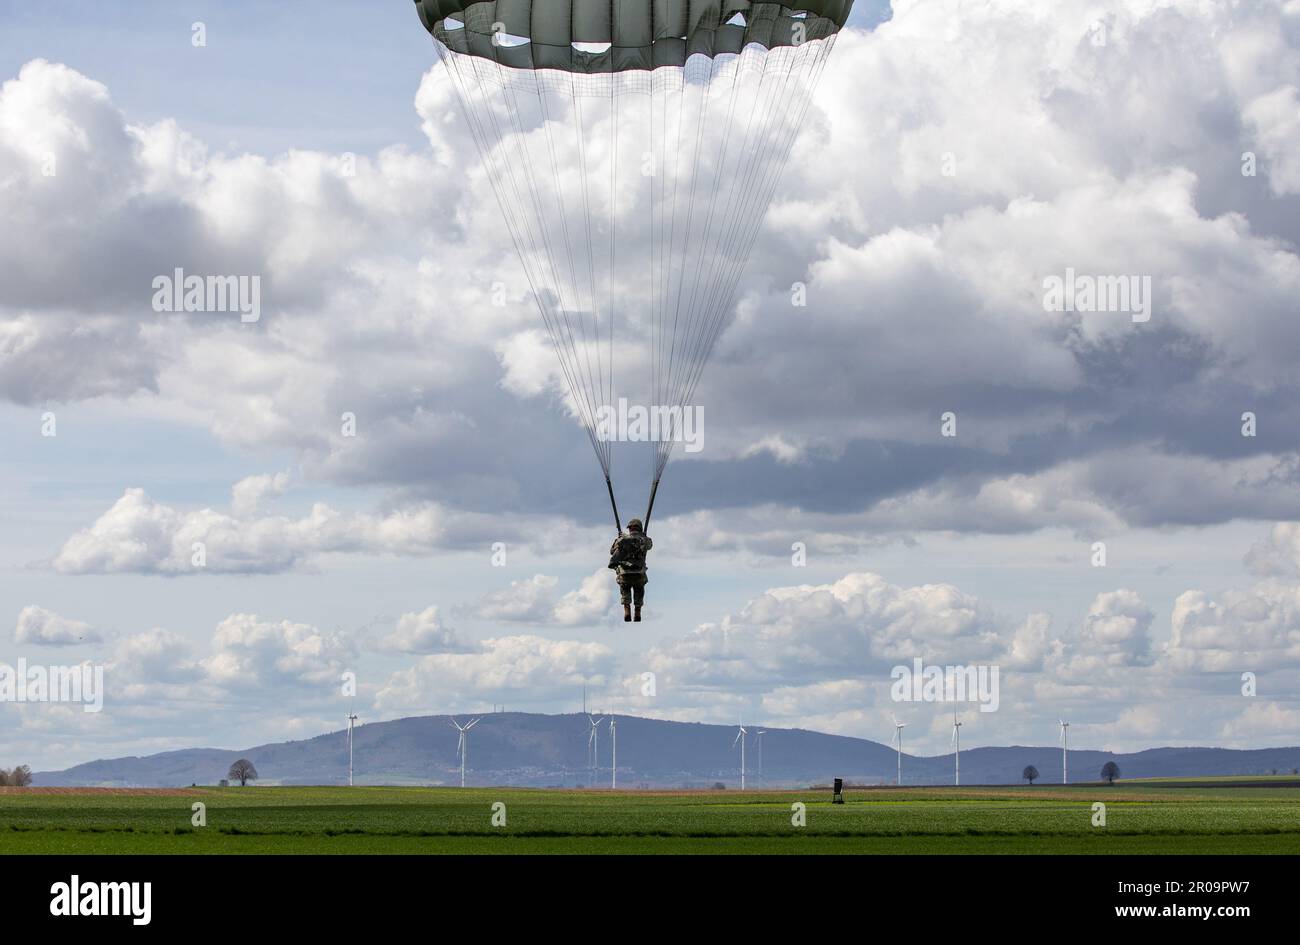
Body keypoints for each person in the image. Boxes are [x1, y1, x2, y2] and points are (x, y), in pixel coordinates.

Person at [609, 518, 653, 622]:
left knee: (625, 591)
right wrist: (644, 537)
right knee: (639, 590)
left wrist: (620, 539)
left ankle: (627, 611)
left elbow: (612, 552)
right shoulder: (645, 540)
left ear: (630, 529)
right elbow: (650, 546)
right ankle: (637, 612)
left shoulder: (621, 540)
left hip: (625, 574)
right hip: (639, 574)